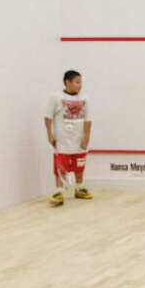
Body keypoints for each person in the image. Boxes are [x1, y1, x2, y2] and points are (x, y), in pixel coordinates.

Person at [45, 70, 93, 206]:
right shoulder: (55, 97)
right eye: (77, 82)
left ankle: (79, 188)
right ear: (67, 82)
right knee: (60, 167)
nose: (80, 85)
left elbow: (89, 119)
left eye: (81, 82)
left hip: (79, 141)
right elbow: (48, 117)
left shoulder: (85, 98)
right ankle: (59, 192)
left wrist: (87, 138)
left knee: (80, 166)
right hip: (62, 142)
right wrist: (50, 134)